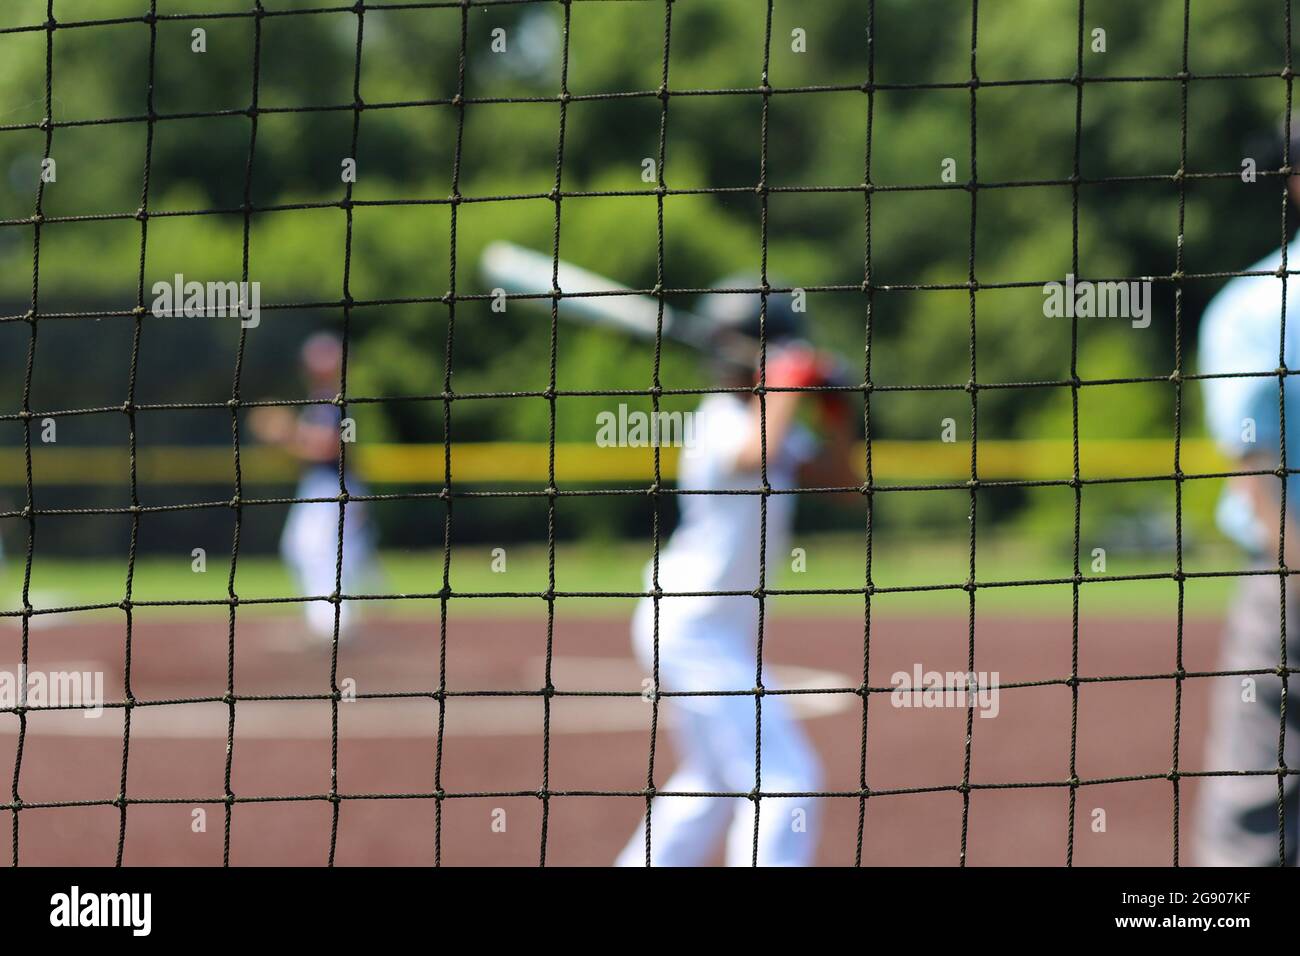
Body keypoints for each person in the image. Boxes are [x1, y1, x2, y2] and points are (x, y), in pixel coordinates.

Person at [615, 278, 858, 867]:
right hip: (692, 625)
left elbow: (846, 485)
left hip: (711, 629)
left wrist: (838, 410)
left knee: (713, 783)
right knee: (784, 780)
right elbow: (757, 453)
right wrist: (792, 380)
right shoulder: (724, 421)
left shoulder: (768, 420)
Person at [1196, 121, 1300, 865]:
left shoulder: (1256, 303)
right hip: (1291, 584)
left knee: (1255, 808)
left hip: (1288, 585)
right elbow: (1253, 465)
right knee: (1255, 808)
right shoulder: (1263, 306)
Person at [250, 332, 378, 644]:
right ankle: (331, 621)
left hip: (333, 485)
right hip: (323, 484)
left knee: (313, 548)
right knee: (312, 548)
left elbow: (329, 447)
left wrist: (286, 433)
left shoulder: (334, 402)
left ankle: (331, 622)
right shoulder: (321, 400)